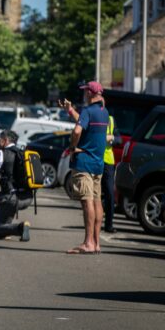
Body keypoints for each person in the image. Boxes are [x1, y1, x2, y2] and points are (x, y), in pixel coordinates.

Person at [60, 81, 109, 255]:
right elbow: (85, 123)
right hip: (97, 164)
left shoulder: (88, 111)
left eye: (85, 91)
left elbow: (78, 130)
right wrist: (71, 110)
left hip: (85, 162)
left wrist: (73, 147)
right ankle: (96, 243)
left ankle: (87, 243)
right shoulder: (103, 113)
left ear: (90, 93)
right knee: (96, 201)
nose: (84, 94)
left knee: (86, 201)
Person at [0, 129, 32, 241]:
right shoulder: (22, 152)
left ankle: (21, 227)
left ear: (5, 140)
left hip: (10, 198)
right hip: (26, 197)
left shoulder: (2, 153)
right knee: (5, 213)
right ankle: (10, 230)